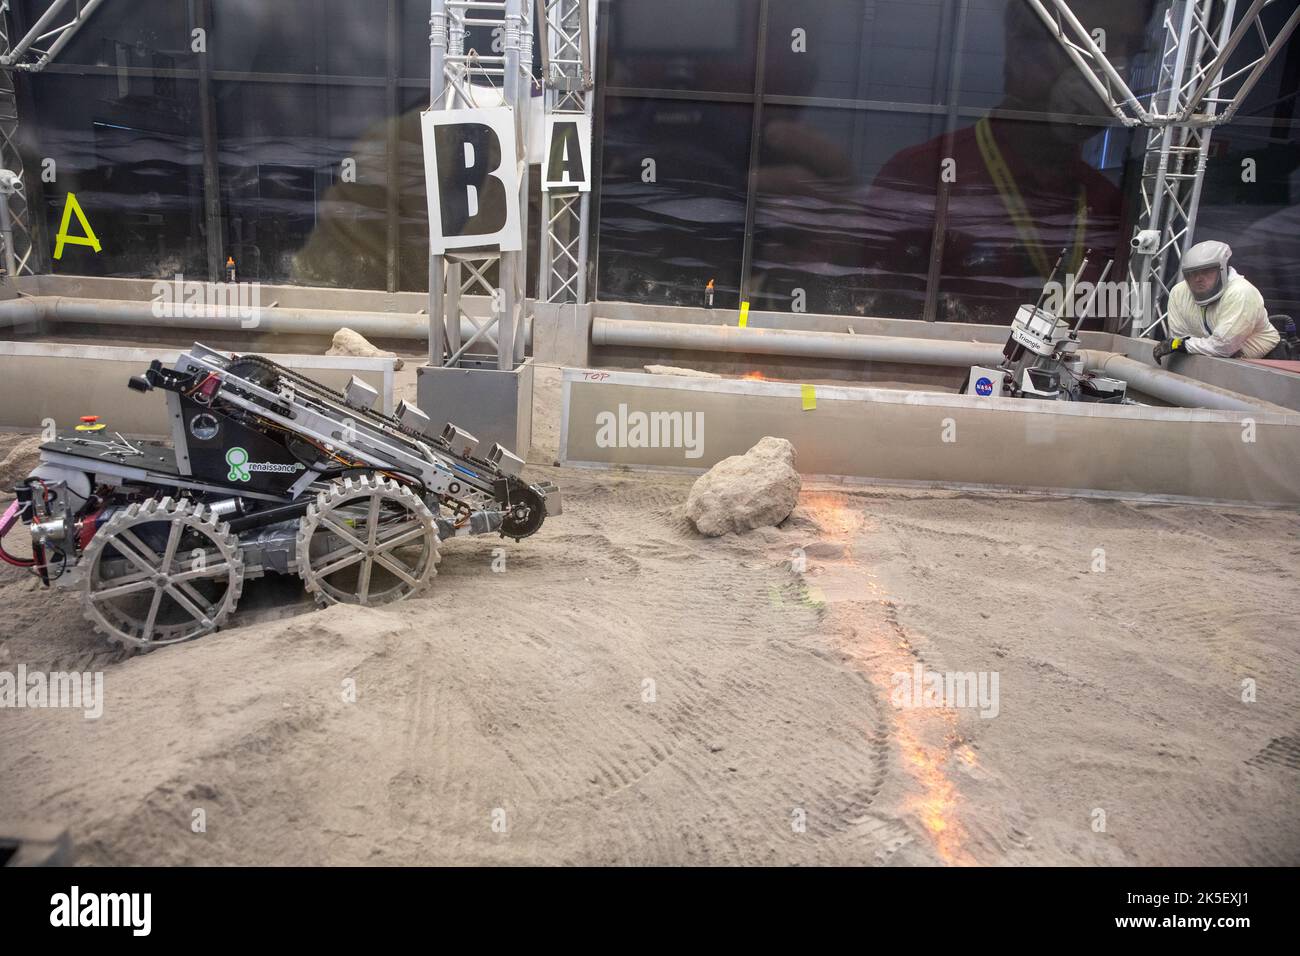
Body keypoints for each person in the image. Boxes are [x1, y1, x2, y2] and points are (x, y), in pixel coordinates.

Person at [1153, 240, 1286, 364]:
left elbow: (1224, 346)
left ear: (1222, 269)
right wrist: (1181, 344)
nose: (1199, 278)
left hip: (1268, 360)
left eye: (1206, 271)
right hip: (1217, 360)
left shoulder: (1241, 292)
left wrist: (1180, 345)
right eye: (1193, 273)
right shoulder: (1179, 293)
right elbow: (1181, 337)